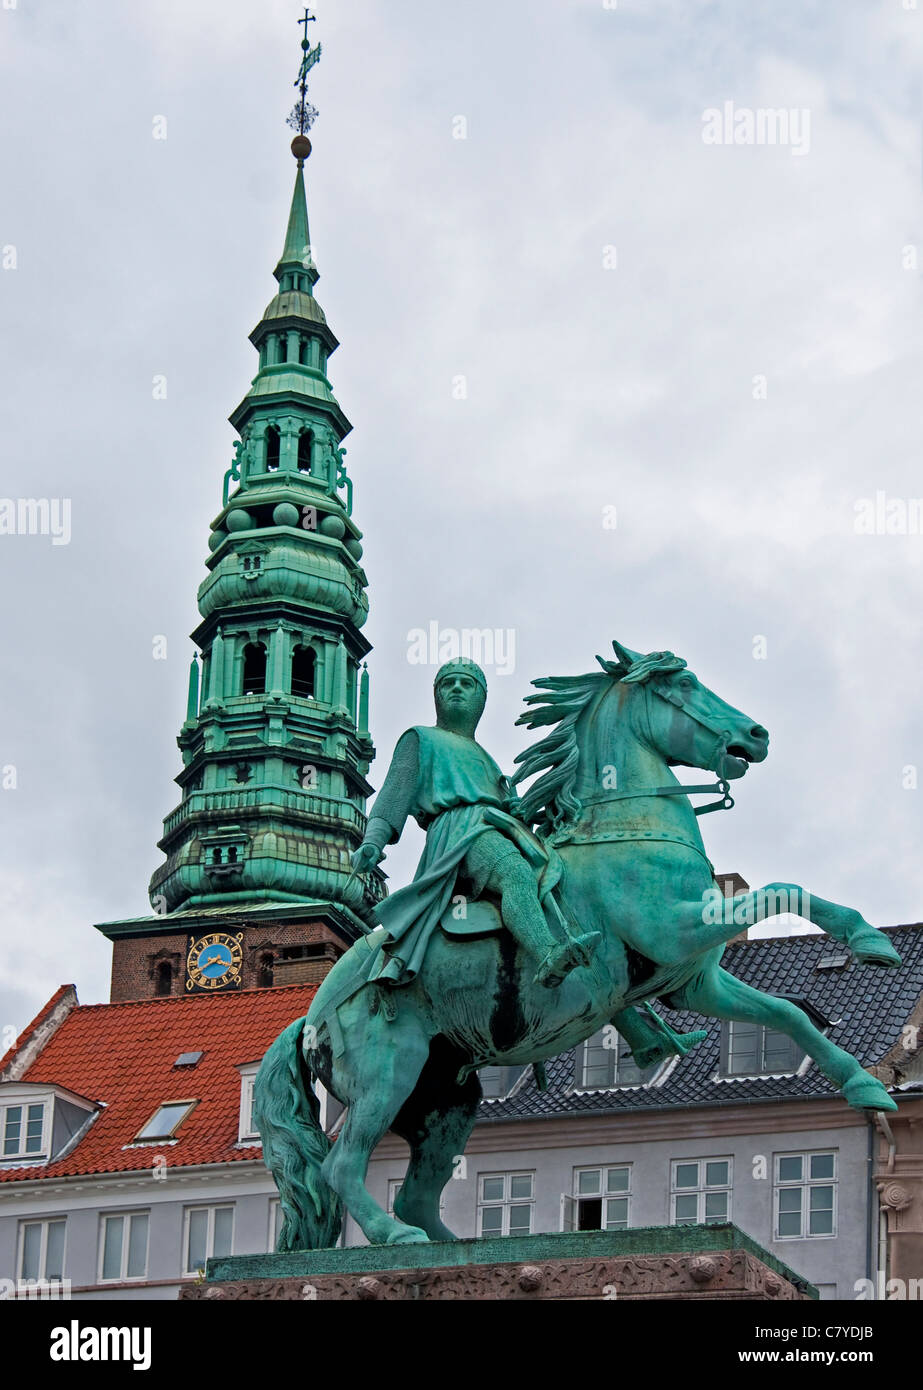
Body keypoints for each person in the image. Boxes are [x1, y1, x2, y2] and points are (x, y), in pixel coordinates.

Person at [351, 658, 600, 988]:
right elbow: (393, 795)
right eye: (447, 683)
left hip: (500, 829)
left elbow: (505, 808)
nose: (456, 688)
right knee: (514, 873)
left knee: (565, 884)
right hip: (461, 831)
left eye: (466, 684)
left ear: (482, 698)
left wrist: (517, 808)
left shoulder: (488, 759)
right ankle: (546, 955)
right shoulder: (421, 738)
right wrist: (373, 840)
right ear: (435, 696)